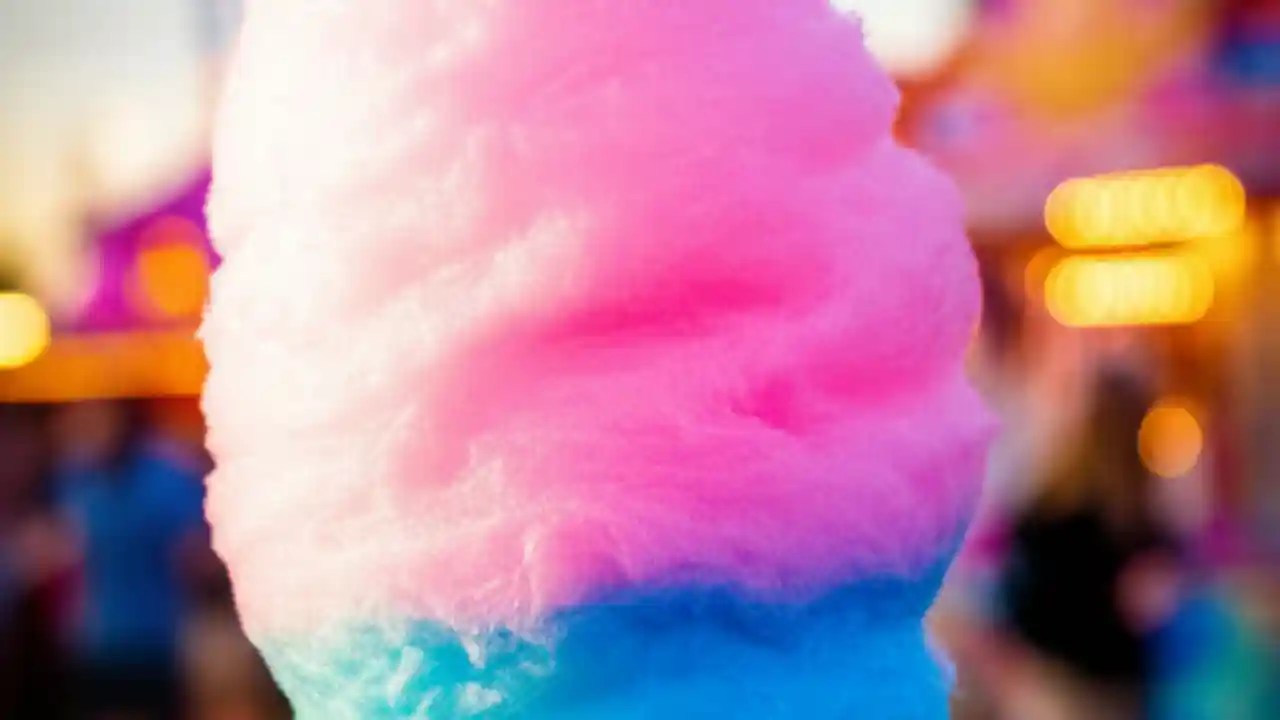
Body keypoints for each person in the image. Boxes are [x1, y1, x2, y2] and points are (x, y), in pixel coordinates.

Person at [1001, 371, 1181, 719]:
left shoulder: (1047, 506)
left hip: (1052, 681)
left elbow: (1018, 602)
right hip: (1094, 688)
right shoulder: (1133, 521)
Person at [54, 401, 207, 720]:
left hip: (158, 641)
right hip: (95, 642)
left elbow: (197, 559)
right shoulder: (77, 480)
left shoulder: (168, 480)